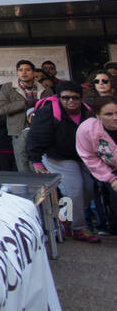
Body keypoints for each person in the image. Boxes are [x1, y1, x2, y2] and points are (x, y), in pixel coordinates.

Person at [25, 81, 98, 242]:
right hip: (57, 156)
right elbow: (36, 136)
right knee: (75, 190)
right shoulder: (48, 112)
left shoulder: (87, 112)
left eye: (75, 98)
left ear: (81, 98)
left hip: (82, 156)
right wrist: (36, 161)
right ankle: (79, 228)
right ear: (59, 98)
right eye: (66, 98)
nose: (70, 101)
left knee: (88, 189)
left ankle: (65, 218)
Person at [0, 60, 40, 173]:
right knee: (22, 162)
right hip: (19, 130)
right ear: (17, 72)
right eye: (20, 70)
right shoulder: (8, 88)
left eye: (27, 70)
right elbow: (1, 109)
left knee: (38, 163)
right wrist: (24, 104)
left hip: (39, 130)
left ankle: (42, 189)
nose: (24, 73)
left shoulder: (44, 88)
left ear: (33, 72)